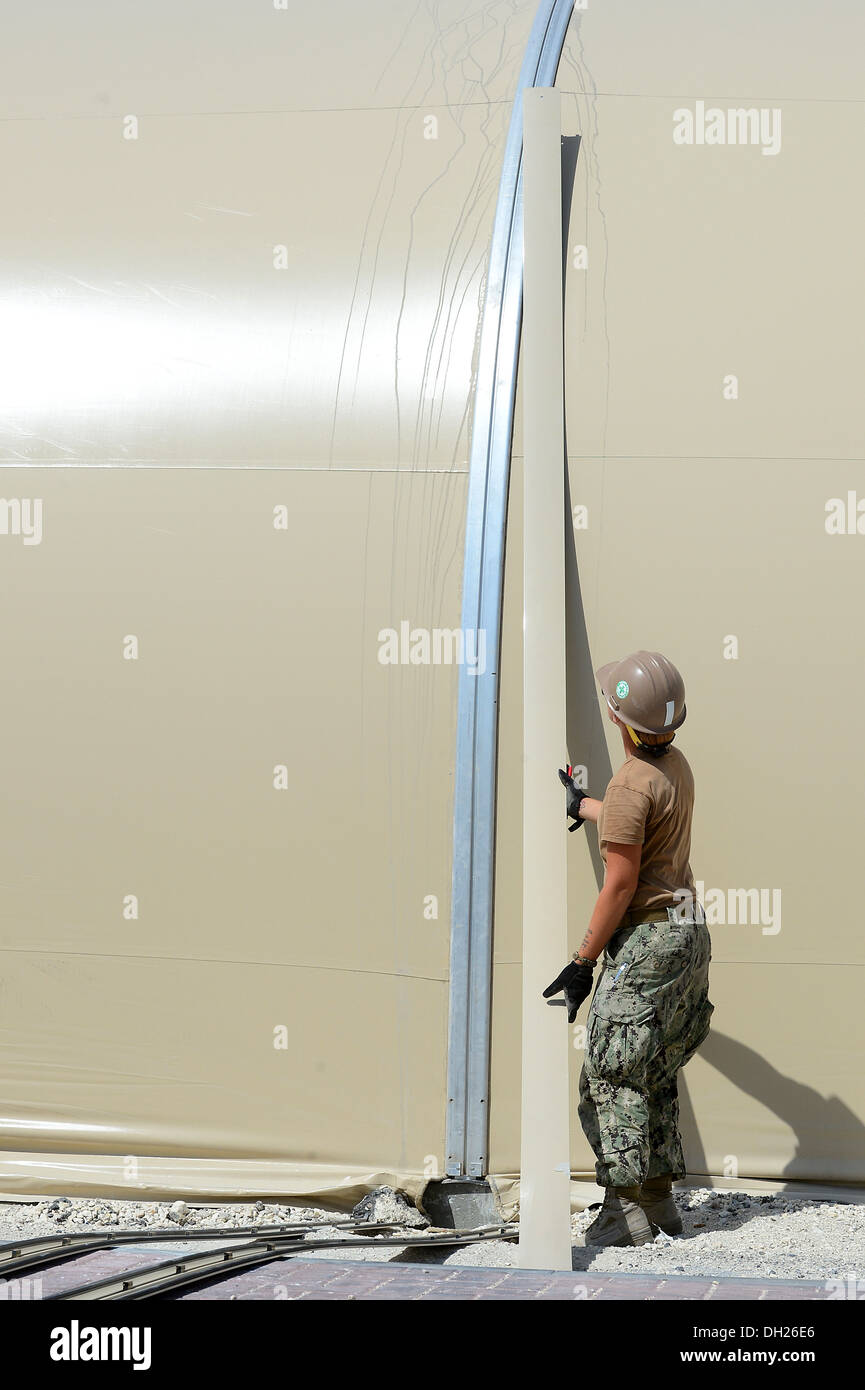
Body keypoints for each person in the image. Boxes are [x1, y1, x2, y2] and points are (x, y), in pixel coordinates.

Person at [543, 650, 714, 1247]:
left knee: (609, 1074)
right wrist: (586, 806)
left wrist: (581, 962)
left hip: (650, 942)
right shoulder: (675, 766)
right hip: (688, 936)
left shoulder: (627, 783)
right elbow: (641, 812)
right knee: (655, 1067)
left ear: (620, 720)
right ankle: (660, 1201)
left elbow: (619, 885)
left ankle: (621, 1210)